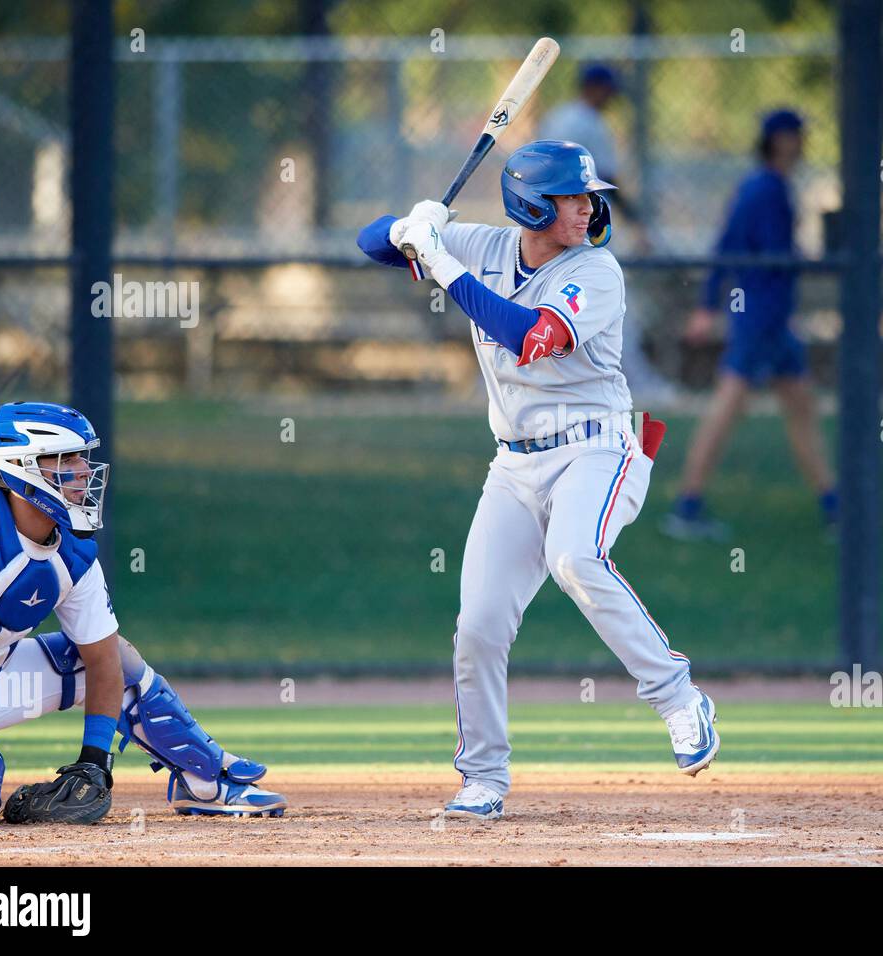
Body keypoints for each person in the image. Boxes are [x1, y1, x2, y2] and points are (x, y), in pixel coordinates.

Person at [357, 140, 719, 822]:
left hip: (598, 448)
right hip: (514, 464)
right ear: (530, 204)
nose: (586, 208)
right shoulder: (485, 246)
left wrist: (439, 263)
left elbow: (530, 336)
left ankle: (678, 697)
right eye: (569, 198)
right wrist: (409, 228)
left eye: (586, 196)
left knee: (574, 557)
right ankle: (483, 777)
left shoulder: (598, 271)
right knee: (480, 625)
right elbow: (367, 243)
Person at [0, 401, 286, 828]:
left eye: (84, 458)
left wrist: (94, 764)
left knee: (114, 658)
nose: (84, 471)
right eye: (67, 459)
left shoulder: (73, 553)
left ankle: (208, 782)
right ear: (20, 467)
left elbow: (103, 664)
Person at [662, 110, 837, 542]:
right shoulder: (764, 188)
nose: (800, 144)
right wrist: (707, 305)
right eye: (793, 136)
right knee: (728, 406)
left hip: (774, 318)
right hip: (761, 317)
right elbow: (743, 248)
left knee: (801, 407)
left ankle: (835, 506)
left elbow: (741, 247)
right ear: (778, 140)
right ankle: (687, 503)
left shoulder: (766, 186)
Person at [540, 64, 674, 403]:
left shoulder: (557, 116)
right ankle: (632, 379)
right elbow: (607, 182)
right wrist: (637, 224)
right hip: (582, 223)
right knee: (612, 299)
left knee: (548, 299)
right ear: (595, 88)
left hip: (546, 222)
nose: (611, 98)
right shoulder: (590, 122)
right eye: (608, 90)